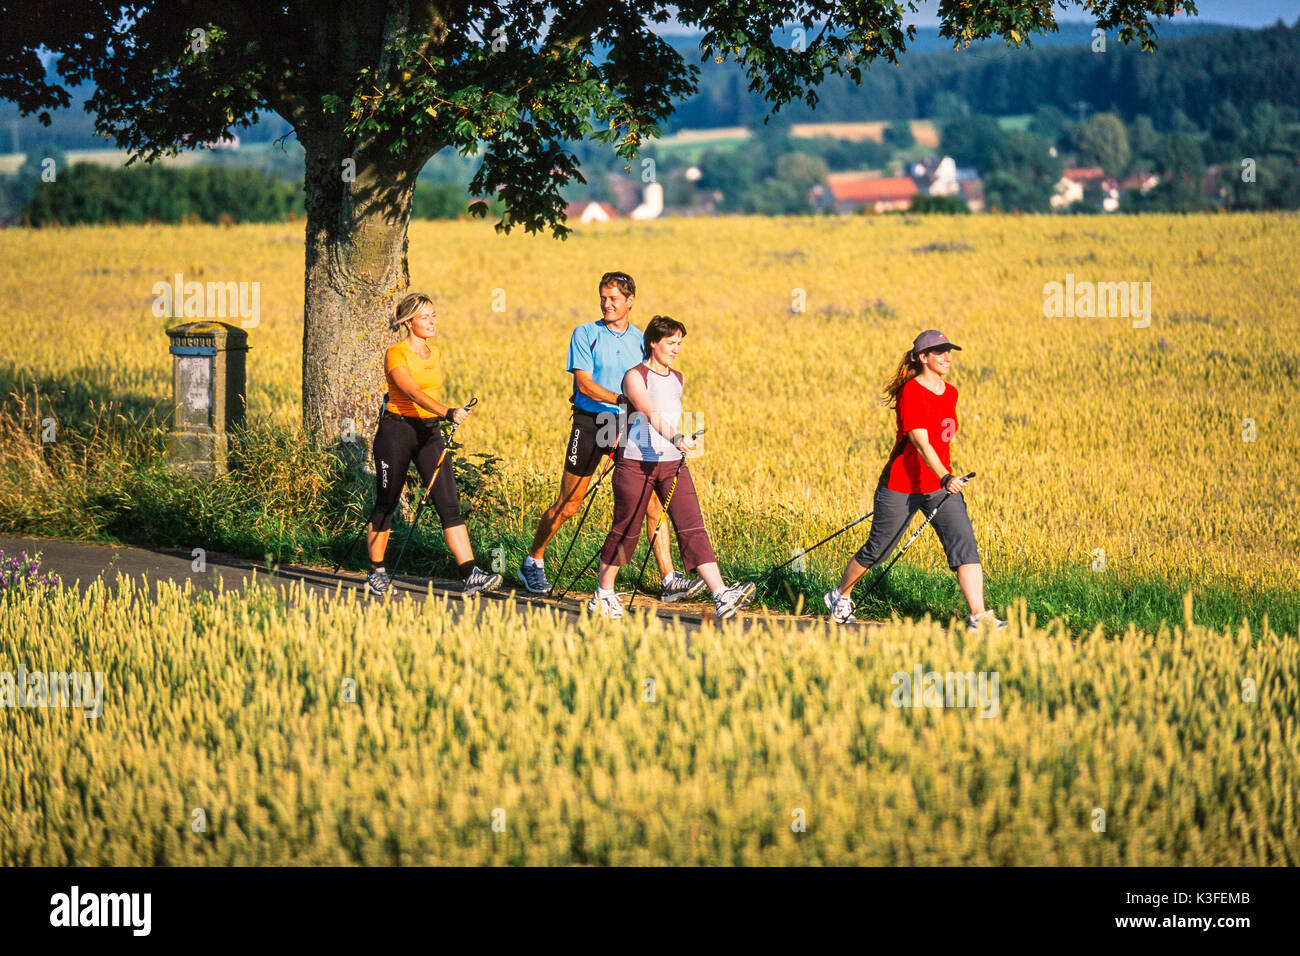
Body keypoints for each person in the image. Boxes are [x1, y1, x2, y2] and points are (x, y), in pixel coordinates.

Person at [517, 271, 706, 602]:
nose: (607, 304)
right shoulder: (586, 333)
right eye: (603, 298)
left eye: (614, 299)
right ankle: (533, 560)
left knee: (650, 502)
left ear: (630, 302)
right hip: (592, 421)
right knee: (570, 502)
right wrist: (621, 399)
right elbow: (584, 384)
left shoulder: (640, 338)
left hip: (628, 425)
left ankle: (669, 578)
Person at [823, 330, 1005, 630]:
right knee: (878, 549)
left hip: (939, 487)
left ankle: (978, 616)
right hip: (901, 486)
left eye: (950, 351)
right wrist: (945, 474)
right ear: (923, 358)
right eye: (940, 352)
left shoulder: (951, 392)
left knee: (964, 545)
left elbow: (942, 438)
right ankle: (839, 595)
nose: (947, 356)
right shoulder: (911, 392)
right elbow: (920, 442)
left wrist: (945, 476)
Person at [589, 315, 756, 621]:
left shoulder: (679, 378)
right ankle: (603, 593)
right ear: (653, 343)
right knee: (626, 531)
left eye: (680, 343)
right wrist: (676, 436)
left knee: (692, 528)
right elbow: (649, 410)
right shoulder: (634, 376)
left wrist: (680, 441)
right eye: (670, 343)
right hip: (635, 464)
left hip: (671, 464)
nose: (676, 349)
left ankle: (720, 595)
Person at [364, 292, 503, 598]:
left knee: (449, 504)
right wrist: (448, 412)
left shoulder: (435, 352)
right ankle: (376, 573)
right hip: (396, 432)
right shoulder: (396, 353)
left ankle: (471, 575)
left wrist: (442, 417)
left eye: (434, 315)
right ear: (408, 322)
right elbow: (410, 391)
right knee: (386, 502)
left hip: (429, 434)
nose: (432, 321)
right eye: (425, 317)